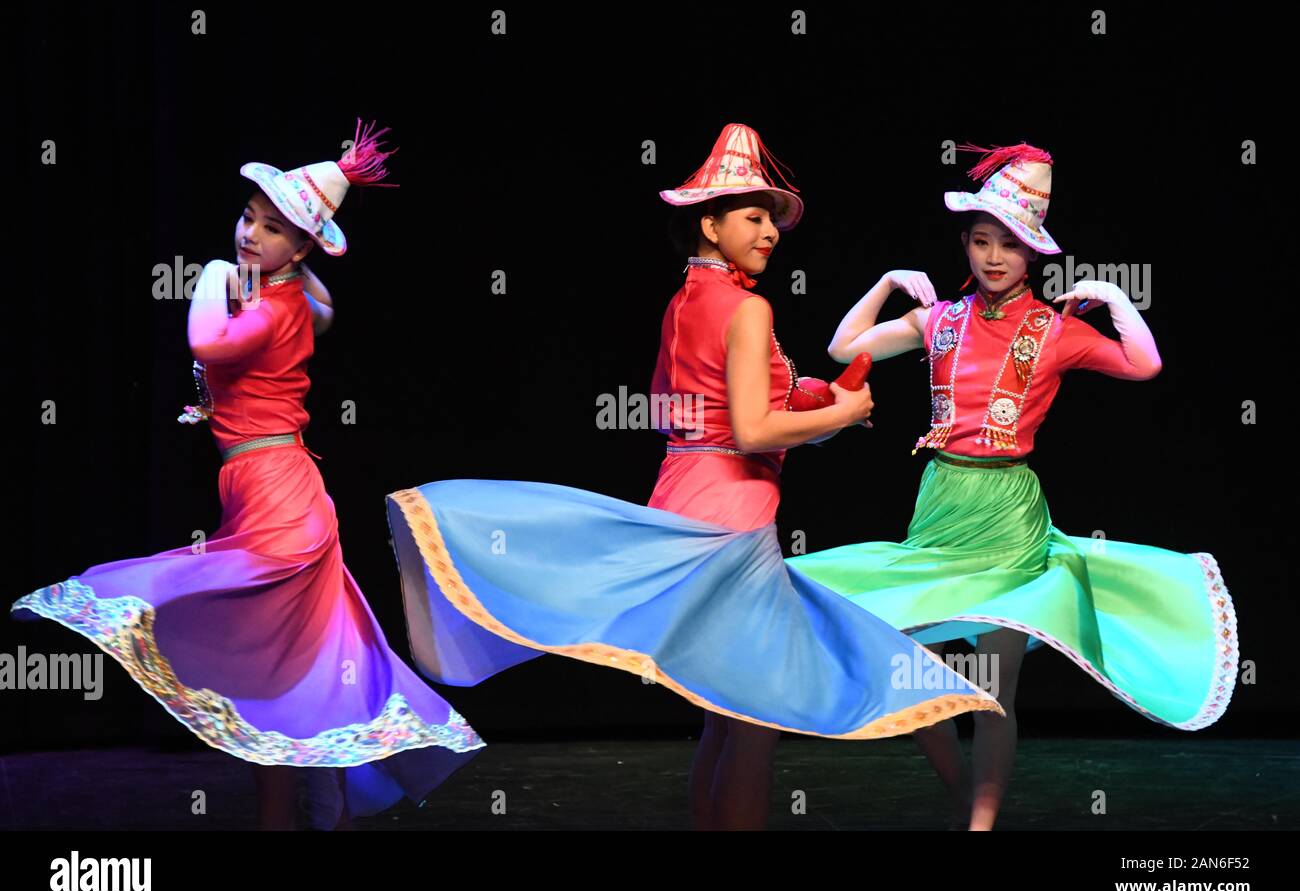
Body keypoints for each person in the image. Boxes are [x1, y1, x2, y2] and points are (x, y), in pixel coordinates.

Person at [384, 124, 1002, 831]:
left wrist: (807, 405)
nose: (769, 231)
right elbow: (751, 432)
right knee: (756, 720)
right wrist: (847, 406)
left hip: (681, 500)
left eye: (772, 217)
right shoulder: (748, 308)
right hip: (731, 524)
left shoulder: (684, 302)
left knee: (725, 717)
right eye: (752, 216)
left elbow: (682, 410)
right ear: (708, 223)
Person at [11, 120, 484, 831]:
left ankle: (303, 804)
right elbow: (325, 302)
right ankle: (326, 791)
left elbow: (206, 339)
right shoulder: (291, 296)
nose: (249, 236)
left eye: (273, 229)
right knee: (293, 664)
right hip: (267, 487)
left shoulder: (266, 310)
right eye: (248, 218)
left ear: (299, 248)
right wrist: (292, 247)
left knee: (274, 666)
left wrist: (212, 277)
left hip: (282, 496)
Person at [785, 143, 1239, 830]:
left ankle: (981, 823)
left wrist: (1113, 297)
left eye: (1010, 243)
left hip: (1009, 514)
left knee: (993, 690)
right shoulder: (937, 321)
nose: (993, 257)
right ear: (965, 244)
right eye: (980, 240)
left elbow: (1144, 364)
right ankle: (969, 796)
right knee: (912, 676)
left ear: (1034, 254)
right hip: (940, 506)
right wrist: (885, 282)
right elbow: (846, 350)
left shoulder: (1054, 332)